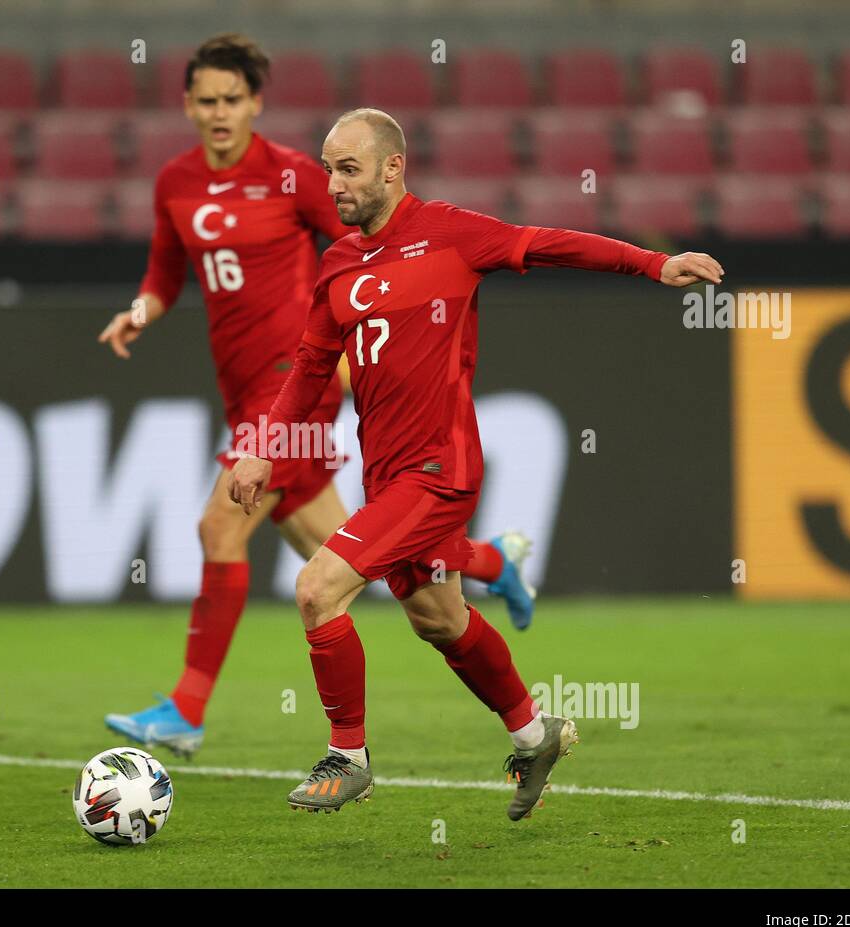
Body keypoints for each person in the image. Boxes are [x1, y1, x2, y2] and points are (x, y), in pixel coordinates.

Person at [229, 108, 724, 819]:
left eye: (349, 168)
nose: (333, 184)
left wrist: (651, 263)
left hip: (440, 469)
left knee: (316, 590)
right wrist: (262, 447)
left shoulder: (449, 233)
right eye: (327, 169)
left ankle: (349, 757)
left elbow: (548, 244)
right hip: (386, 475)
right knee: (438, 618)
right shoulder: (337, 264)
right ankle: (535, 732)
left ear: (393, 168)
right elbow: (310, 370)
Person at [100, 37, 536, 759]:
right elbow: (164, 274)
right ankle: (488, 562)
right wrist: (139, 313)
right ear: (187, 104)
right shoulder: (174, 182)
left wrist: (359, 353)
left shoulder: (293, 176)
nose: (218, 112)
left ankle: (188, 709)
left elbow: (372, 251)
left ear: (254, 104)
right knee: (364, 560)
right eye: (206, 100)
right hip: (245, 390)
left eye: (232, 99)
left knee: (221, 529)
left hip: (293, 390)